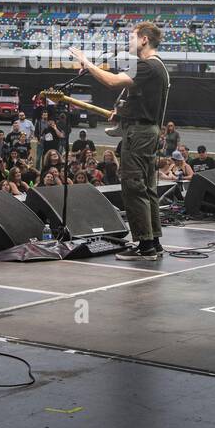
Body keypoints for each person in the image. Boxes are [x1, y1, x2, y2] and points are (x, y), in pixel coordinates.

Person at [69, 21, 169, 259]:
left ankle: (145, 247)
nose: (129, 42)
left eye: (132, 38)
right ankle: (153, 242)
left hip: (140, 135)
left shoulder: (147, 66)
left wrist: (88, 63)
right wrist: (122, 111)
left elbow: (112, 81)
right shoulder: (158, 67)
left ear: (144, 39)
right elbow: (139, 99)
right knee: (146, 188)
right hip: (148, 132)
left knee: (134, 188)